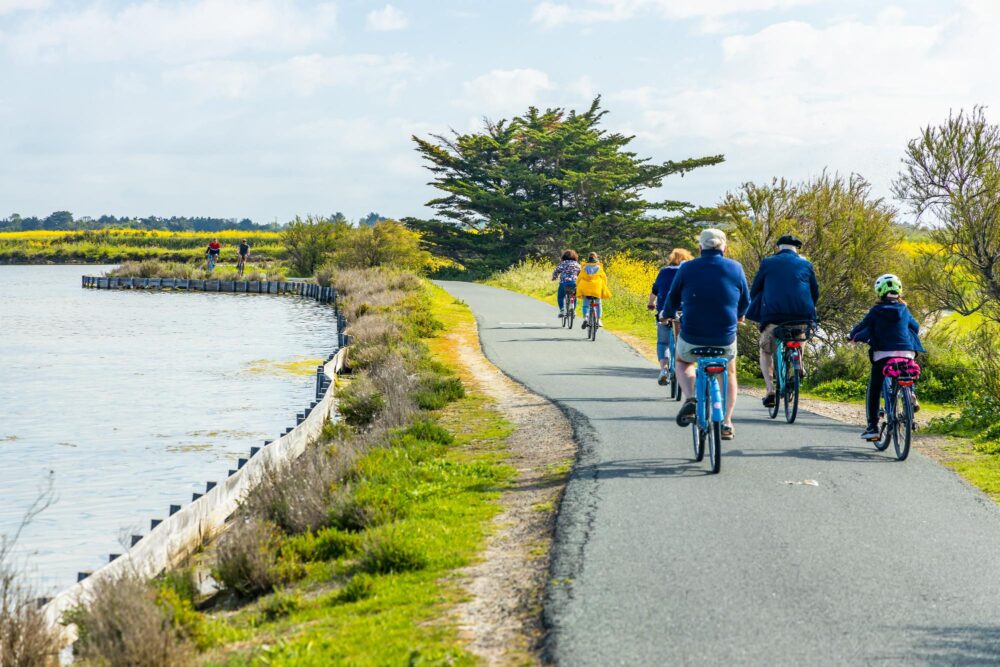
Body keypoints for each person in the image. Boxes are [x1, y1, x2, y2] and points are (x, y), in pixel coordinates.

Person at [666, 229, 750, 440]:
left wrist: (666, 314)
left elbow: (672, 297)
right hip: (724, 339)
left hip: (692, 337)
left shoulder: (687, 267)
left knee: (682, 361)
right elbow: (745, 300)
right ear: (724, 248)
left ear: (700, 248)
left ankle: (691, 398)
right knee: (729, 371)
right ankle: (727, 422)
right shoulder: (736, 267)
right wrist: (740, 315)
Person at [746, 235, 820, 408]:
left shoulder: (768, 263)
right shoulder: (806, 264)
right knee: (801, 334)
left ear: (778, 247)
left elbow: (755, 289)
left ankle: (770, 390)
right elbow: (815, 292)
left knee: (765, 351)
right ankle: (799, 364)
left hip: (774, 317)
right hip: (802, 315)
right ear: (797, 249)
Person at [849, 274, 925, 441]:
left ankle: (873, 427)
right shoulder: (904, 309)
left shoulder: (876, 310)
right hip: (907, 353)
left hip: (883, 354)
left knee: (875, 387)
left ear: (880, 292)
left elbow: (862, 326)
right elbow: (916, 327)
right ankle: (910, 395)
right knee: (905, 373)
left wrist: (851, 335)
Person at [648, 248, 694, 385]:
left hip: (665, 312)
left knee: (663, 343)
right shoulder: (689, 272)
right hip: (685, 312)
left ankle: (664, 369)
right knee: (685, 340)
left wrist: (651, 303)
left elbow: (655, 290)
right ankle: (685, 367)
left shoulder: (664, 272)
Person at [576, 252, 611, 328]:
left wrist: (577, 286)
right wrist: (604, 286)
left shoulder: (584, 267)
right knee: (598, 304)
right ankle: (598, 320)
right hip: (596, 289)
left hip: (586, 290)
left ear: (588, 258)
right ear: (596, 258)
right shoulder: (599, 267)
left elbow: (579, 278)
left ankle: (586, 317)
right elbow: (604, 278)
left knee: (586, 306)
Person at [551, 249, 582, 318]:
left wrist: (554, 277)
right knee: (574, 296)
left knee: (560, 296)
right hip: (574, 283)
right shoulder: (577, 264)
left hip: (564, 283)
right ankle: (573, 310)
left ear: (564, 256)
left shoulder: (563, 263)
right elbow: (581, 273)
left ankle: (562, 310)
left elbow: (556, 271)